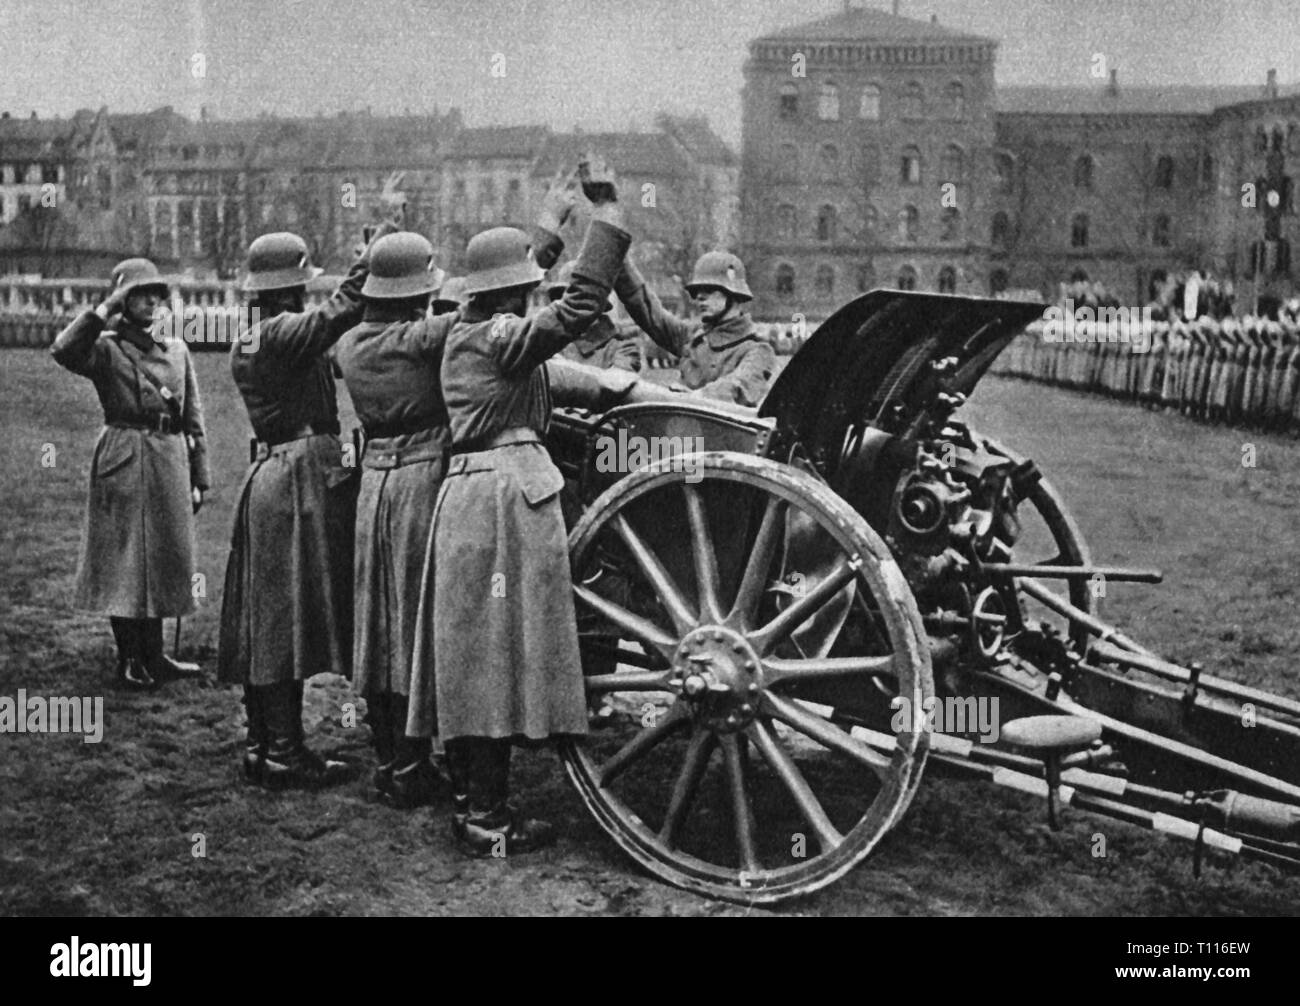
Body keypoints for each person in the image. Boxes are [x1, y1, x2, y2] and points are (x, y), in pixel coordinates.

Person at [413, 158, 629, 856]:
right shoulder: (491, 338)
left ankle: (478, 802)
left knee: (492, 657)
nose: (533, 296)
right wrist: (608, 223)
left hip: (494, 501)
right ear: (513, 294)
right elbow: (571, 317)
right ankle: (483, 816)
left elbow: (570, 375)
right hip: (497, 506)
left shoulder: (487, 338)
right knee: (489, 660)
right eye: (527, 289)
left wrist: (623, 388)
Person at [219, 211, 397, 791]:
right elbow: (337, 313)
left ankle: (263, 743)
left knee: (272, 618)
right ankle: (283, 753)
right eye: (299, 284)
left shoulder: (263, 331)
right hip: (295, 479)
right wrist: (371, 252)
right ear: (286, 288)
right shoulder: (274, 333)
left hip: (282, 474)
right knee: (281, 622)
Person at [334, 231, 454, 808]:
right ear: (415, 296)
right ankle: (413, 766)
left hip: (374, 484)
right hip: (423, 480)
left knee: (377, 624)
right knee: (415, 621)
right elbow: (486, 310)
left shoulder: (351, 344)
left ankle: (389, 760)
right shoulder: (419, 338)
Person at [51, 258, 207, 690]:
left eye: (156, 293)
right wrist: (103, 310)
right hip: (123, 455)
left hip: (168, 458)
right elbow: (63, 350)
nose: (151, 301)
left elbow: (193, 417)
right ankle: (129, 658)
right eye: (139, 294)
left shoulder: (177, 348)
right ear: (122, 299)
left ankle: (155, 656)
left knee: (163, 557)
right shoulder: (104, 348)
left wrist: (200, 477)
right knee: (125, 560)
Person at [614, 250, 775, 407]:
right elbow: (649, 311)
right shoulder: (693, 336)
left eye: (710, 290)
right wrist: (617, 259)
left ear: (734, 295)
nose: (699, 297)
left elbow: (737, 387)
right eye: (697, 291)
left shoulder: (758, 350)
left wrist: (689, 398)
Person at [547, 261, 642, 371]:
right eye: (564, 300)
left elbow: (617, 384)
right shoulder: (550, 344)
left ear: (598, 304)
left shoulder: (620, 348)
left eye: (580, 298)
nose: (570, 306)